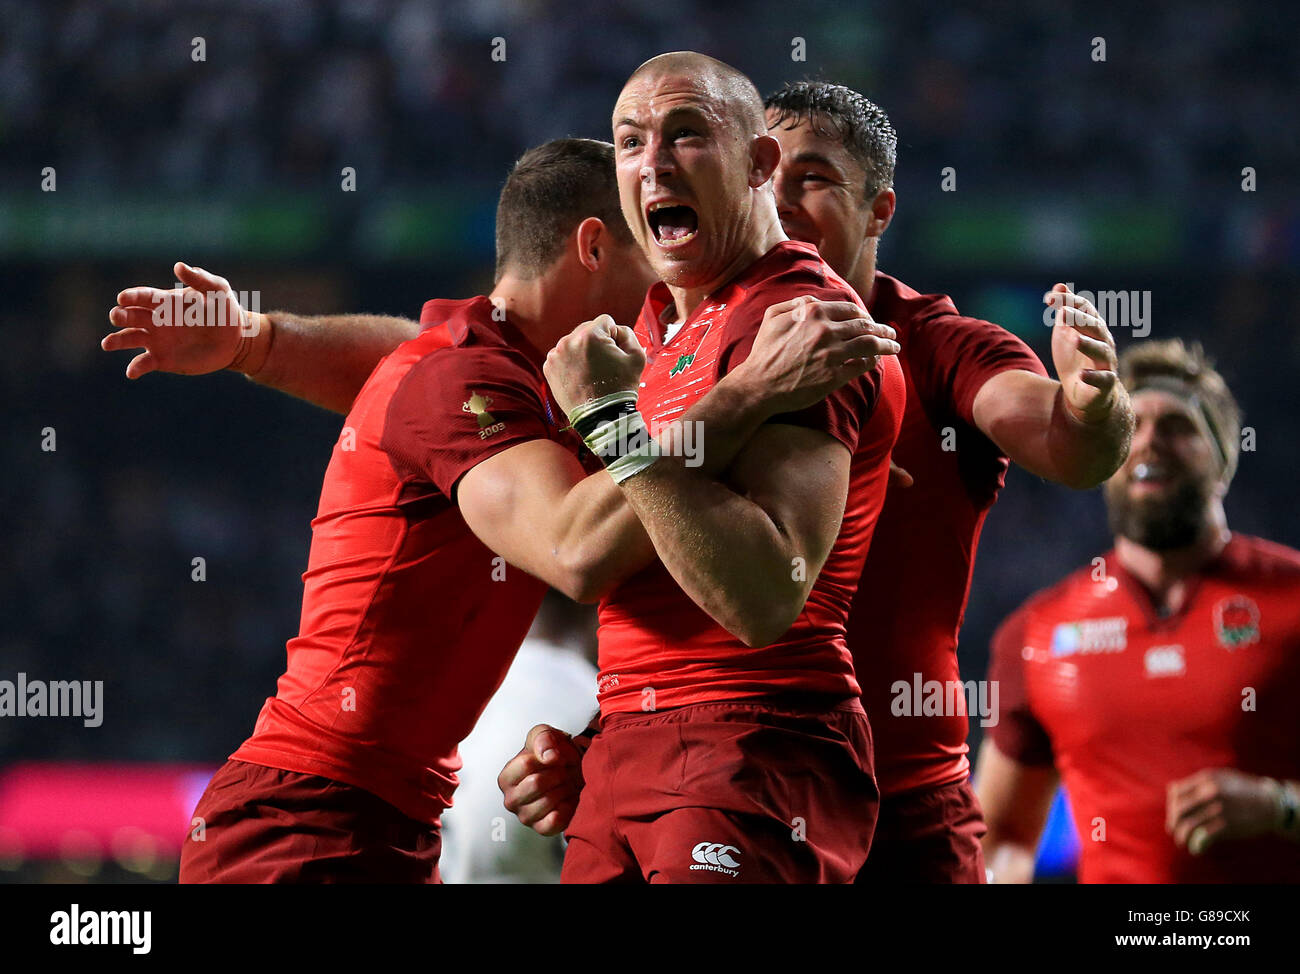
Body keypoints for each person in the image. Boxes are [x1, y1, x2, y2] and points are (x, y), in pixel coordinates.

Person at [108, 138, 892, 882]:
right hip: (304, 818)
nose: (666, 298)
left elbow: (392, 357)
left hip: (383, 817)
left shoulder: (499, 374)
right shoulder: (463, 379)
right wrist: (748, 394)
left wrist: (261, 339)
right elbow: (574, 551)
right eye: (650, 259)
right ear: (593, 247)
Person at [501, 80, 1133, 884]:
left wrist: (1092, 404)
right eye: (770, 175)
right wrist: (608, 737)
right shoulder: (670, 333)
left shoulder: (928, 343)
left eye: (817, 180)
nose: (783, 200)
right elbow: (655, 558)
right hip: (720, 768)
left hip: (897, 797)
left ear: (880, 212)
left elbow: (1067, 443)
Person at [977, 339, 1300, 883]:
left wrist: (1279, 807)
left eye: (1177, 426)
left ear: (1222, 461)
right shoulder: (1036, 633)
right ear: (1107, 463)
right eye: (1133, 428)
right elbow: (1002, 839)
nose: (1150, 441)